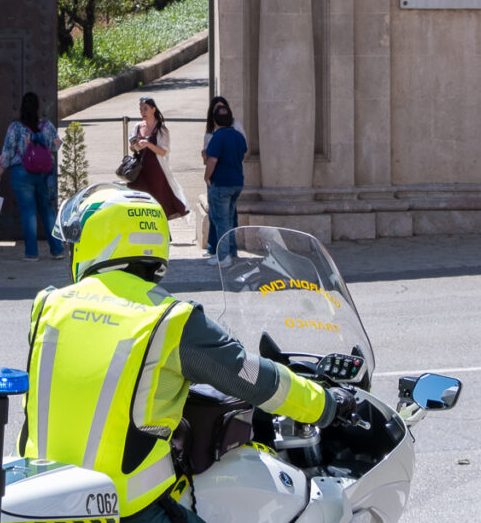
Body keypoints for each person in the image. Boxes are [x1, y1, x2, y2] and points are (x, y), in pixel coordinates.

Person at [22, 183, 337, 523]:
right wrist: (324, 404)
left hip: (39, 499)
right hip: (125, 510)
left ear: (98, 241)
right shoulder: (171, 320)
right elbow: (248, 376)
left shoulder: (48, 306)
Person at [0, 91, 64, 261]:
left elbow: (7, 153)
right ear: (38, 107)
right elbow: (56, 145)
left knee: (28, 213)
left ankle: (32, 253)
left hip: (22, 173)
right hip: (45, 174)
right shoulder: (47, 126)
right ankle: (57, 250)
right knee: (47, 211)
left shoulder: (15, 128)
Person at [200, 96, 246, 263]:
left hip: (221, 183)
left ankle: (223, 256)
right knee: (230, 219)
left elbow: (212, 160)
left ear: (216, 121)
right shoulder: (238, 136)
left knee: (221, 221)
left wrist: (207, 177)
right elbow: (243, 153)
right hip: (237, 182)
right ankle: (232, 252)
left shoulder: (217, 137)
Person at [127, 96, 188, 221]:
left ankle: (163, 231)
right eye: (140, 109)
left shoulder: (161, 129)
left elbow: (164, 151)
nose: (142, 112)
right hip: (140, 170)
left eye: (145, 109)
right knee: (140, 200)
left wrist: (148, 144)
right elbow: (134, 148)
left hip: (156, 170)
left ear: (153, 109)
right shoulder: (137, 126)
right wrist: (134, 147)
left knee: (158, 201)